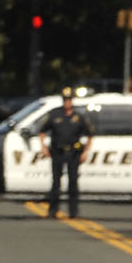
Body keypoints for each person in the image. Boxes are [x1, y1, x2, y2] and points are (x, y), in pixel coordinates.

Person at [38, 90, 94, 219]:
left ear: (72, 101)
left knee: (73, 182)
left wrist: (85, 152)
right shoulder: (54, 115)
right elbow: (42, 131)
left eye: (69, 100)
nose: (67, 102)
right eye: (65, 100)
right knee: (56, 183)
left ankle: (73, 212)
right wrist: (44, 147)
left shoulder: (79, 117)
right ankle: (53, 211)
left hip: (74, 153)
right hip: (57, 152)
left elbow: (90, 134)